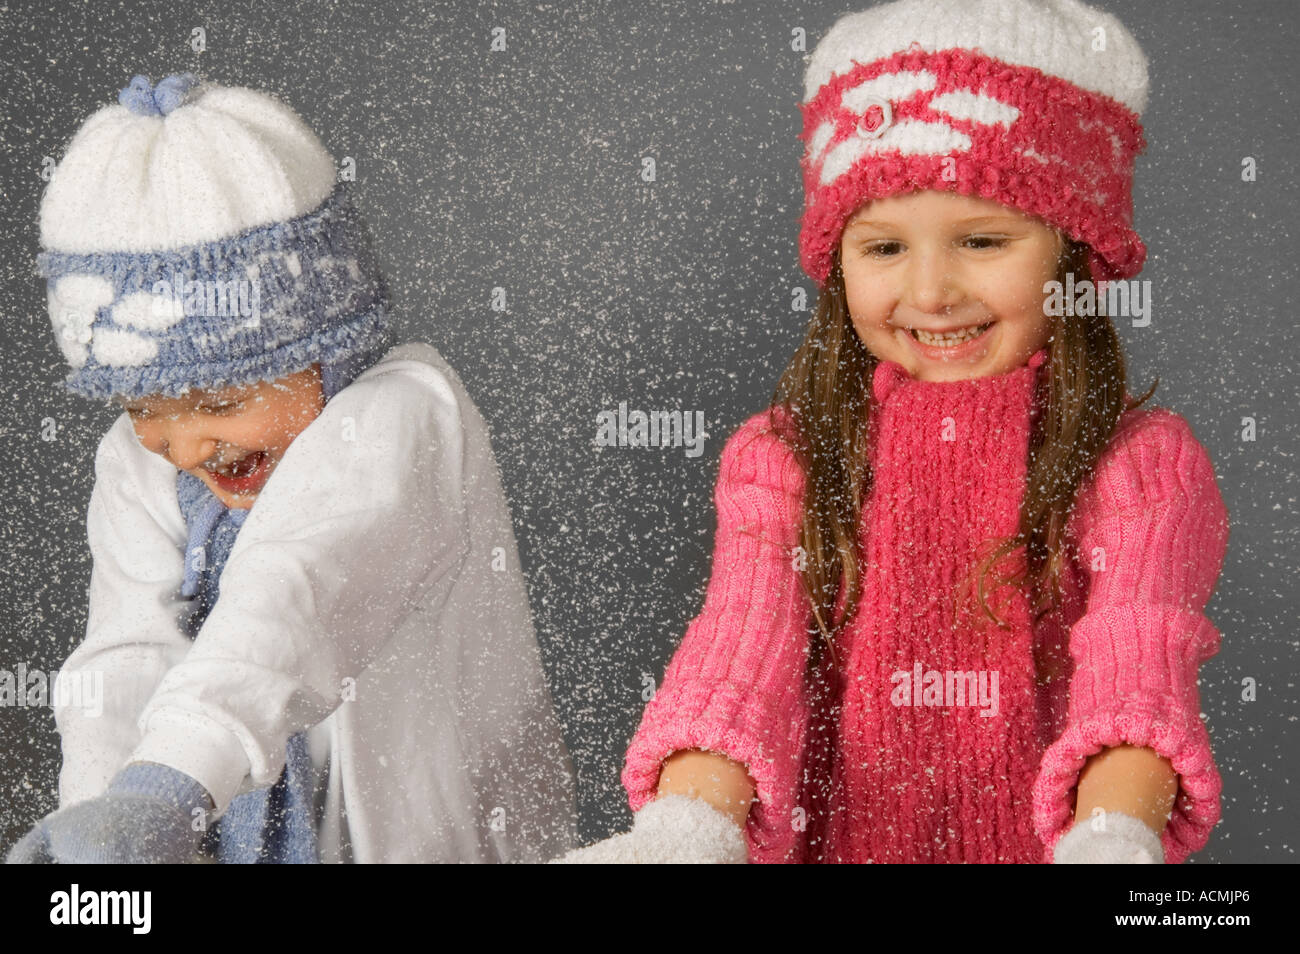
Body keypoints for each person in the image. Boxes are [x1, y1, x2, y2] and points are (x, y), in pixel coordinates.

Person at [557, 0, 1230, 863]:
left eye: (982, 240)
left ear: (1076, 253)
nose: (932, 290)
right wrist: (685, 832)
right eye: (882, 249)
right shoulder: (783, 461)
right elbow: (739, 656)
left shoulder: (1141, 470)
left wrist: (1111, 838)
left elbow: (1136, 667)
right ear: (837, 261)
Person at [7, 73, 577, 863]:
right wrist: (107, 824)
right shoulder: (137, 467)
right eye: (143, 408)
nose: (184, 446)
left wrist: (164, 790)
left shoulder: (408, 416)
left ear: (326, 349)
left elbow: (290, 597)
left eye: (216, 403)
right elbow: (129, 650)